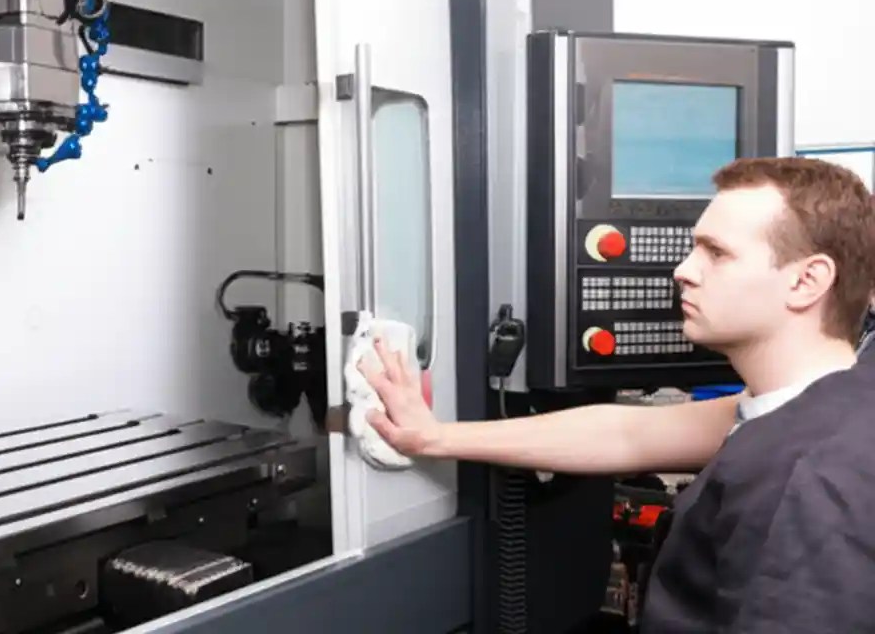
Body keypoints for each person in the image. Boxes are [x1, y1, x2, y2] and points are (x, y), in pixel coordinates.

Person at [358, 157, 875, 632]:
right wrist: (433, 437)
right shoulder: (821, 404)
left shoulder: (812, 480)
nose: (683, 271)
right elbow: (629, 431)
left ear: (808, 281)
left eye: (716, 253)